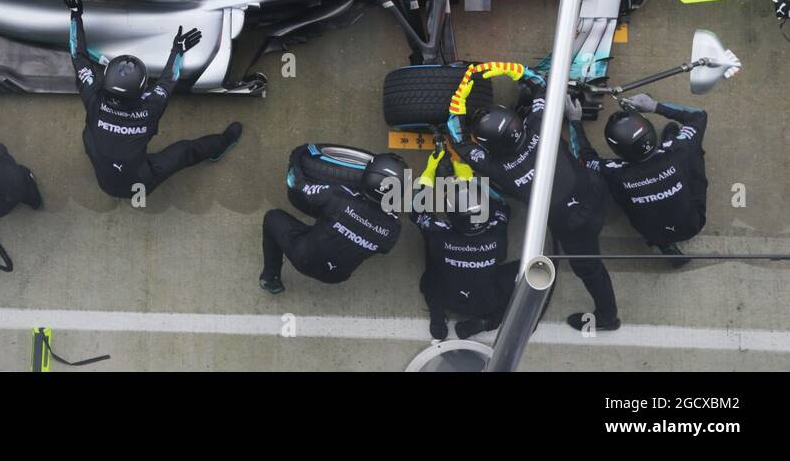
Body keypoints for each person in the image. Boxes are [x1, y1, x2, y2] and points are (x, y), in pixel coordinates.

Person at [454, 67, 619, 332]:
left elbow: (459, 141)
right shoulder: (540, 122)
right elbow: (539, 84)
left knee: (589, 269)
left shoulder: (497, 169)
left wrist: (458, 97)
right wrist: (506, 68)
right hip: (596, 191)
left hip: (573, 226)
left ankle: (609, 318)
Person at [64, 0, 241, 199]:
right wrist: (178, 49)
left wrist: (75, 12)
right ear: (142, 90)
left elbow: (78, 56)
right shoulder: (150, 108)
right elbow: (170, 79)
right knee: (185, 151)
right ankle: (220, 145)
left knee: (89, 135)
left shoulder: (93, 97)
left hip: (104, 180)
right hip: (140, 183)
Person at [573, 93, 708, 267]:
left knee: (604, 185)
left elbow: (584, 157)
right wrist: (655, 105)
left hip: (653, 232)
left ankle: (665, 246)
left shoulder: (615, 172)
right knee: (692, 153)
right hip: (694, 223)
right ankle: (667, 139)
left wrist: (575, 120)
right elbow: (699, 115)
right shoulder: (679, 150)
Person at [259, 152, 405, 294]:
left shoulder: (339, 196)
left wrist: (296, 157)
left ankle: (270, 278)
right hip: (337, 276)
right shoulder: (393, 230)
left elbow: (299, 184)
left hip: (303, 258)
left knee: (271, 217)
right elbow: (382, 249)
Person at [412, 147, 515, 340]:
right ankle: (486, 322)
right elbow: (502, 204)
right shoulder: (497, 229)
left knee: (430, 246)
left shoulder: (439, 232)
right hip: (486, 302)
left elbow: (415, 210)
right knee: (528, 273)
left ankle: (437, 316)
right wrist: (469, 178)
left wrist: (429, 171)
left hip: (446, 296)